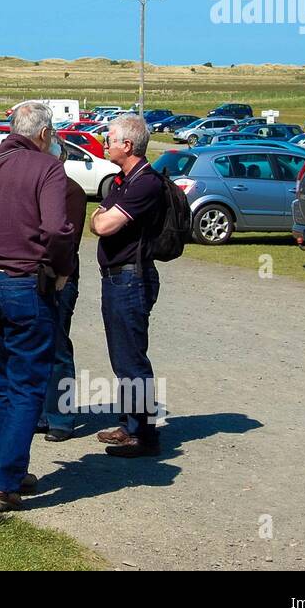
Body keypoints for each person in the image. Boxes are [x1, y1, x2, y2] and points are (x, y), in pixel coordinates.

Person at [0, 101, 75, 511]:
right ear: (44, 134)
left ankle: (10, 465)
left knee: (1, 383)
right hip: (24, 282)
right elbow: (55, 229)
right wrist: (62, 268)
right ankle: (3, 481)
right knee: (27, 384)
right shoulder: (47, 168)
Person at [89, 113, 166, 458]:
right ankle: (129, 424)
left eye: (110, 138)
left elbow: (103, 224)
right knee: (122, 357)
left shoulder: (146, 183)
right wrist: (100, 217)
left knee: (132, 359)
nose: (105, 144)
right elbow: (99, 217)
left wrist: (101, 217)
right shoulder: (123, 180)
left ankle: (143, 436)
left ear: (128, 145)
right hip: (117, 277)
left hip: (131, 278)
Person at [36, 145, 87, 442]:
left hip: (60, 278)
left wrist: (60, 274)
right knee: (36, 346)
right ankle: (41, 413)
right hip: (35, 275)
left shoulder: (71, 191)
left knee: (57, 347)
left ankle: (61, 417)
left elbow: (68, 239)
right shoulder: (40, 186)